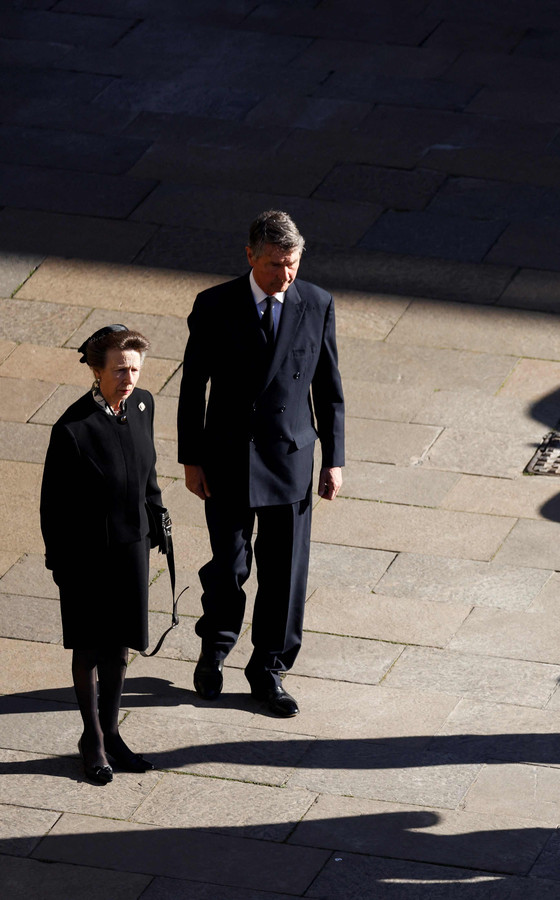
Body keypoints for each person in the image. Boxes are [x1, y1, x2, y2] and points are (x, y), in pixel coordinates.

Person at [179, 210, 345, 718]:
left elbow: (329, 390)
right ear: (250, 256)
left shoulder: (316, 304)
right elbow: (192, 388)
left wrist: (334, 459)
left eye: (292, 264)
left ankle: (269, 667)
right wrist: (191, 458)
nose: (284, 275)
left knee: (285, 573)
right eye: (274, 264)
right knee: (228, 567)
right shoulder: (214, 305)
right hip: (228, 460)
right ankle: (215, 649)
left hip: (290, 459)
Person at [41, 326, 163, 783]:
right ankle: (91, 739)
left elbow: (148, 470)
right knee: (90, 647)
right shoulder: (72, 429)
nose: (128, 378)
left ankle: (112, 734)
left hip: (132, 548)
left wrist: (158, 517)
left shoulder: (144, 404)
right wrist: (61, 565)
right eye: (118, 369)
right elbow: (51, 507)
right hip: (86, 557)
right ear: (96, 370)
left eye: (134, 369)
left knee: (121, 644)